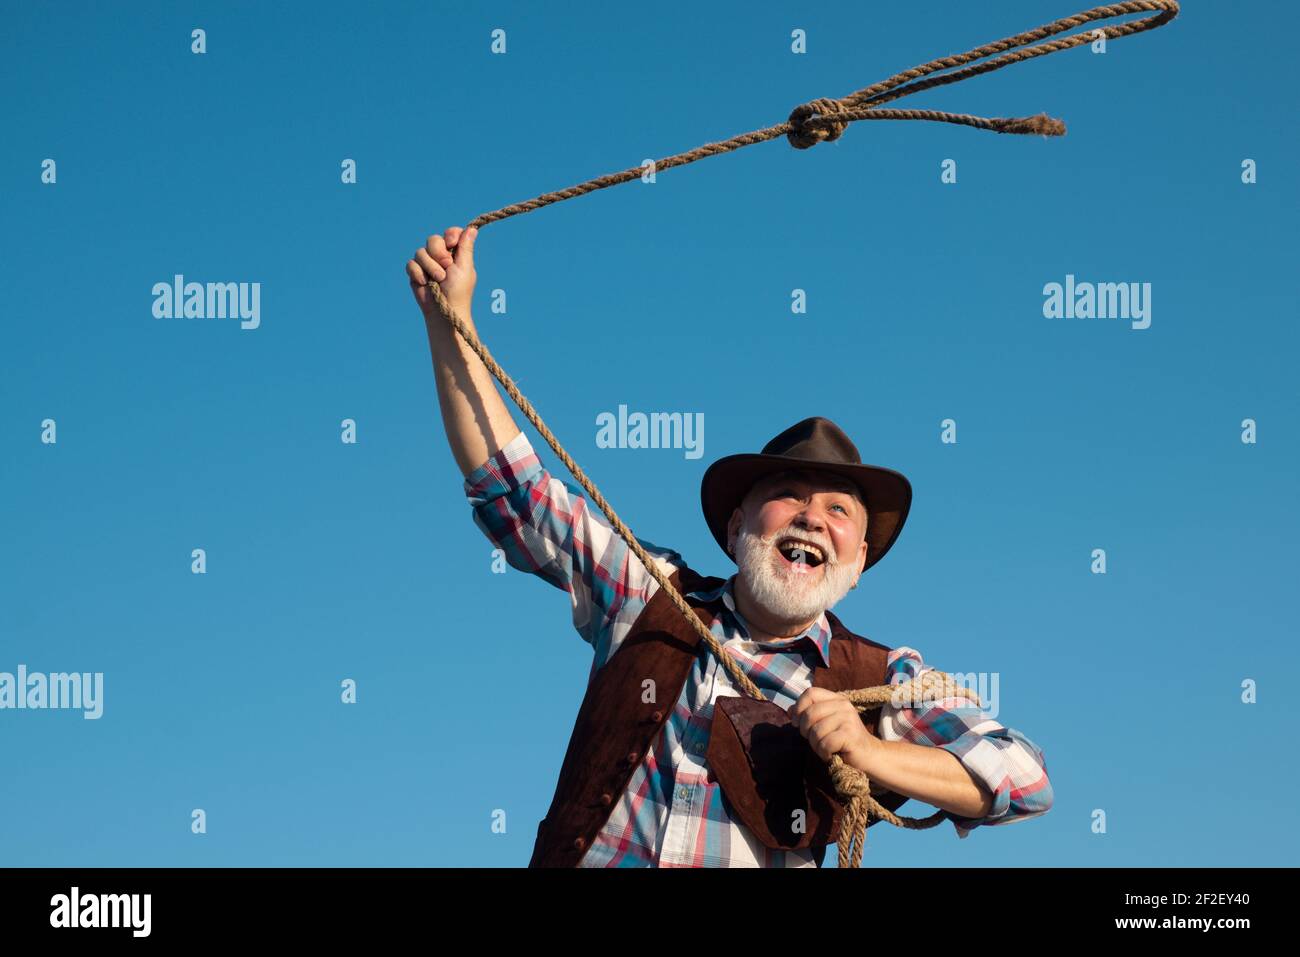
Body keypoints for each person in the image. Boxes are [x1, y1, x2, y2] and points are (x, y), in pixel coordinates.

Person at [407, 226, 1054, 867]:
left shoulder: (881, 682)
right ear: (739, 523)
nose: (810, 518)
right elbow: (514, 488)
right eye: (789, 494)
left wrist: (873, 751)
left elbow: (1023, 777)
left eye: (837, 510)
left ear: (857, 563)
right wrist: (449, 322)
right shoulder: (649, 594)